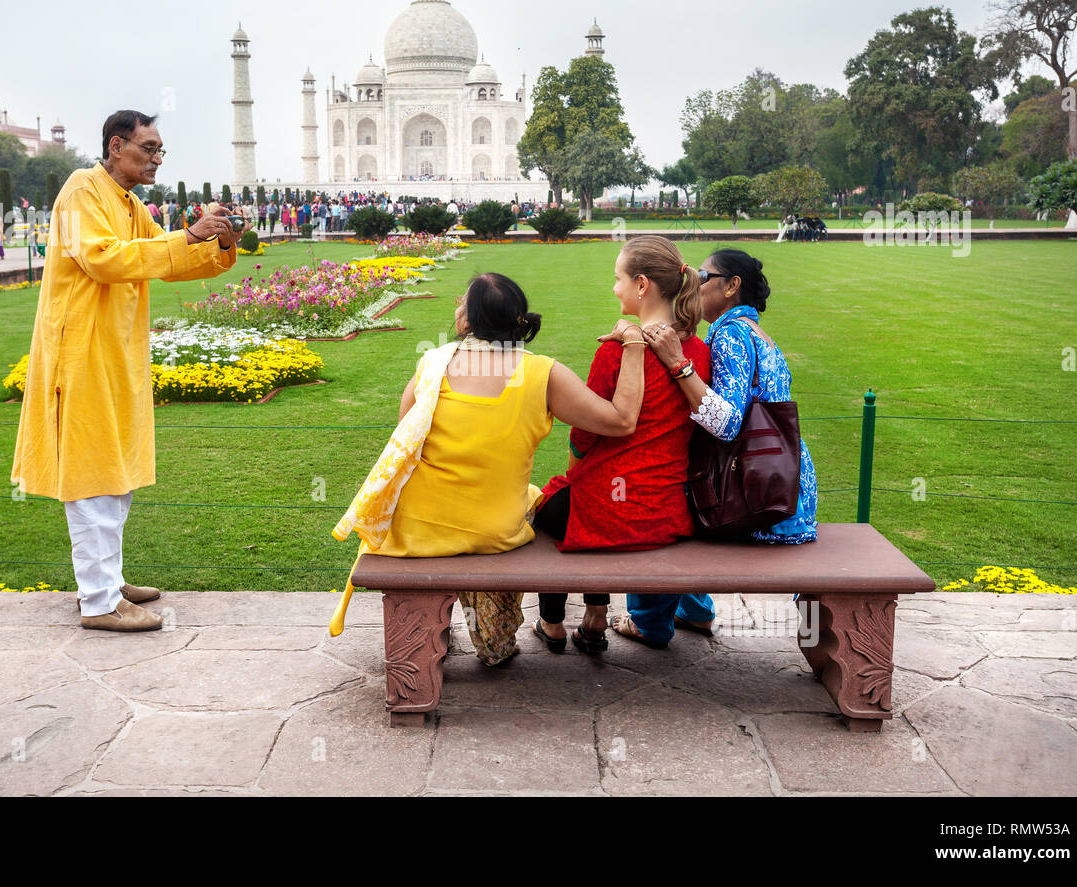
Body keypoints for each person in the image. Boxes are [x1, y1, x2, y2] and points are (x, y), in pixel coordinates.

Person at [332, 273, 648, 666]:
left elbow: (406, 440)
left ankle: (442, 635)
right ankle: (549, 622)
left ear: (468, 319)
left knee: (529, 496)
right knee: (538, 496)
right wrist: (634, 342)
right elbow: (620, 420)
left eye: (461, 301)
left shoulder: (434, 362)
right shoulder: (542, 373)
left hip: (418, 528)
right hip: (495, 529)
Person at [12, 110, 239, 633]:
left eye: (161, 151)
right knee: (92, 475)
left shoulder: (129, 204)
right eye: (150, 148)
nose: (157, 158)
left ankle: (107, 581)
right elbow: (104, 260)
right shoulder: (82, 189)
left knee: (116, 469)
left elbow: (171, 260)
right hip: (82, 351)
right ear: (117, 146)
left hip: (116, 352)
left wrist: (220, 239)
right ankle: (97, 601)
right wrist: (188, 235)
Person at [615, 247, 819, 647]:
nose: (697, 284)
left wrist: (678, 364)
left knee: (657, 505)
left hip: (754, 499)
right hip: (787, 488)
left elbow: (726, 424)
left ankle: (649, 621)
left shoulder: (729, 333)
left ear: (732, 287)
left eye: (706, 278)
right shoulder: (759, 332)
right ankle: (694, 610)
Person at [532, 236, 712, 653]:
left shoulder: (615, 354)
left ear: (643, 285)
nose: (614, 288)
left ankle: (554, 622)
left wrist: (577, 465)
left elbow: (584, 435)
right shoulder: (696, 355)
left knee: (544, 509)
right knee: (575, 499)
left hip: (610, 509)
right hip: (667, 513)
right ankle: (593, 618)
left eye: (618, 279)